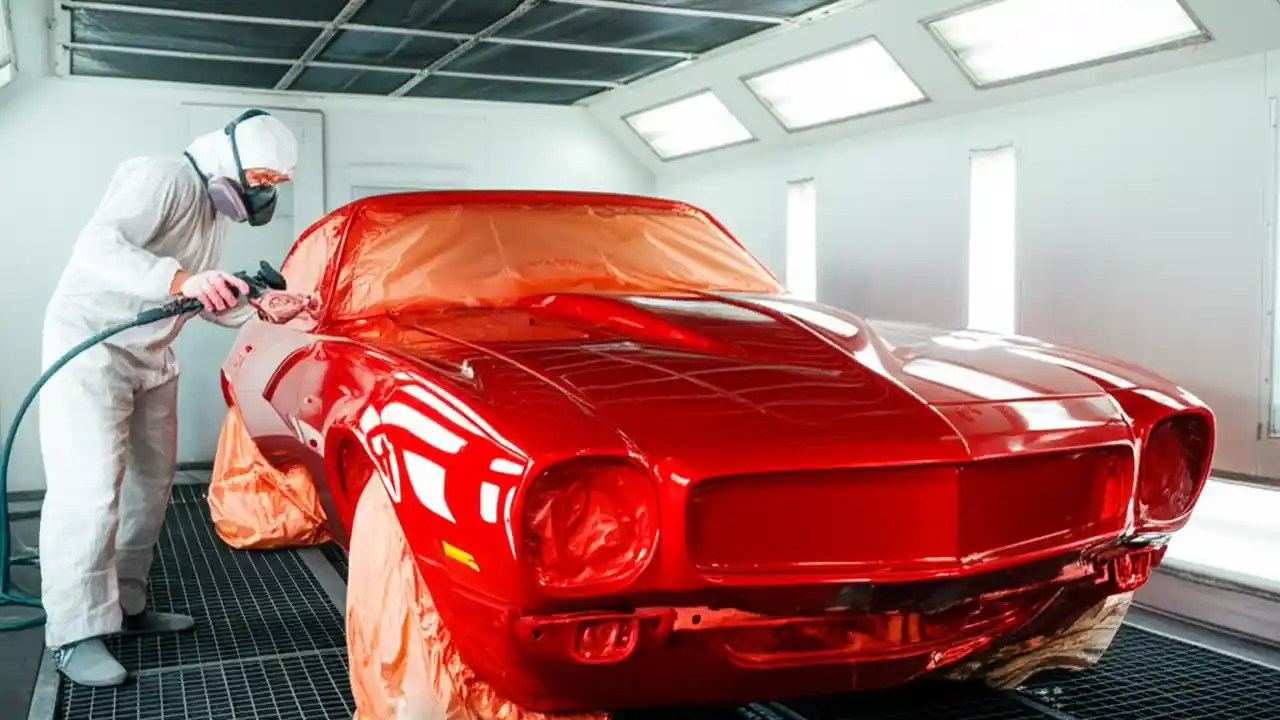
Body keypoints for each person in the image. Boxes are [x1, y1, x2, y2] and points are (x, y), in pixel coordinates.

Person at [37, 109, 298, 687]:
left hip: (152, 353)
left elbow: (199, 299)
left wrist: (258, 306)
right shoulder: (165, 177)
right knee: (89, 488)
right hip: (94, 347)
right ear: (230, 161)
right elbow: (97, 246)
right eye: (259, 177)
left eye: (273, 182)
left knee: (149, 485)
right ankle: (75, 633)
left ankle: (127, 605)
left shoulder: (212, 216)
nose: (263, 192)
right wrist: (181, 279)